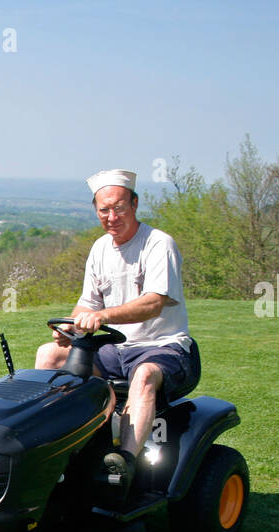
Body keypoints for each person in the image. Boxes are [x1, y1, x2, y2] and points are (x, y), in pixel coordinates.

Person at [34, 168, 197, 489]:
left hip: (162, 346)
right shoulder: (99, 249)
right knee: (49, 354)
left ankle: (124, 461)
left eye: (119, 207)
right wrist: (71, 325)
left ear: (134, 204)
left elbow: (153, 302)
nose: (112, 216)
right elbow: (86, 302)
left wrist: (103, 316)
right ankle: (54, 442)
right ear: (96, 211)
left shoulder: (158, 244)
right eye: (104, 210)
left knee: (145, 374)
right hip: (115, 350)